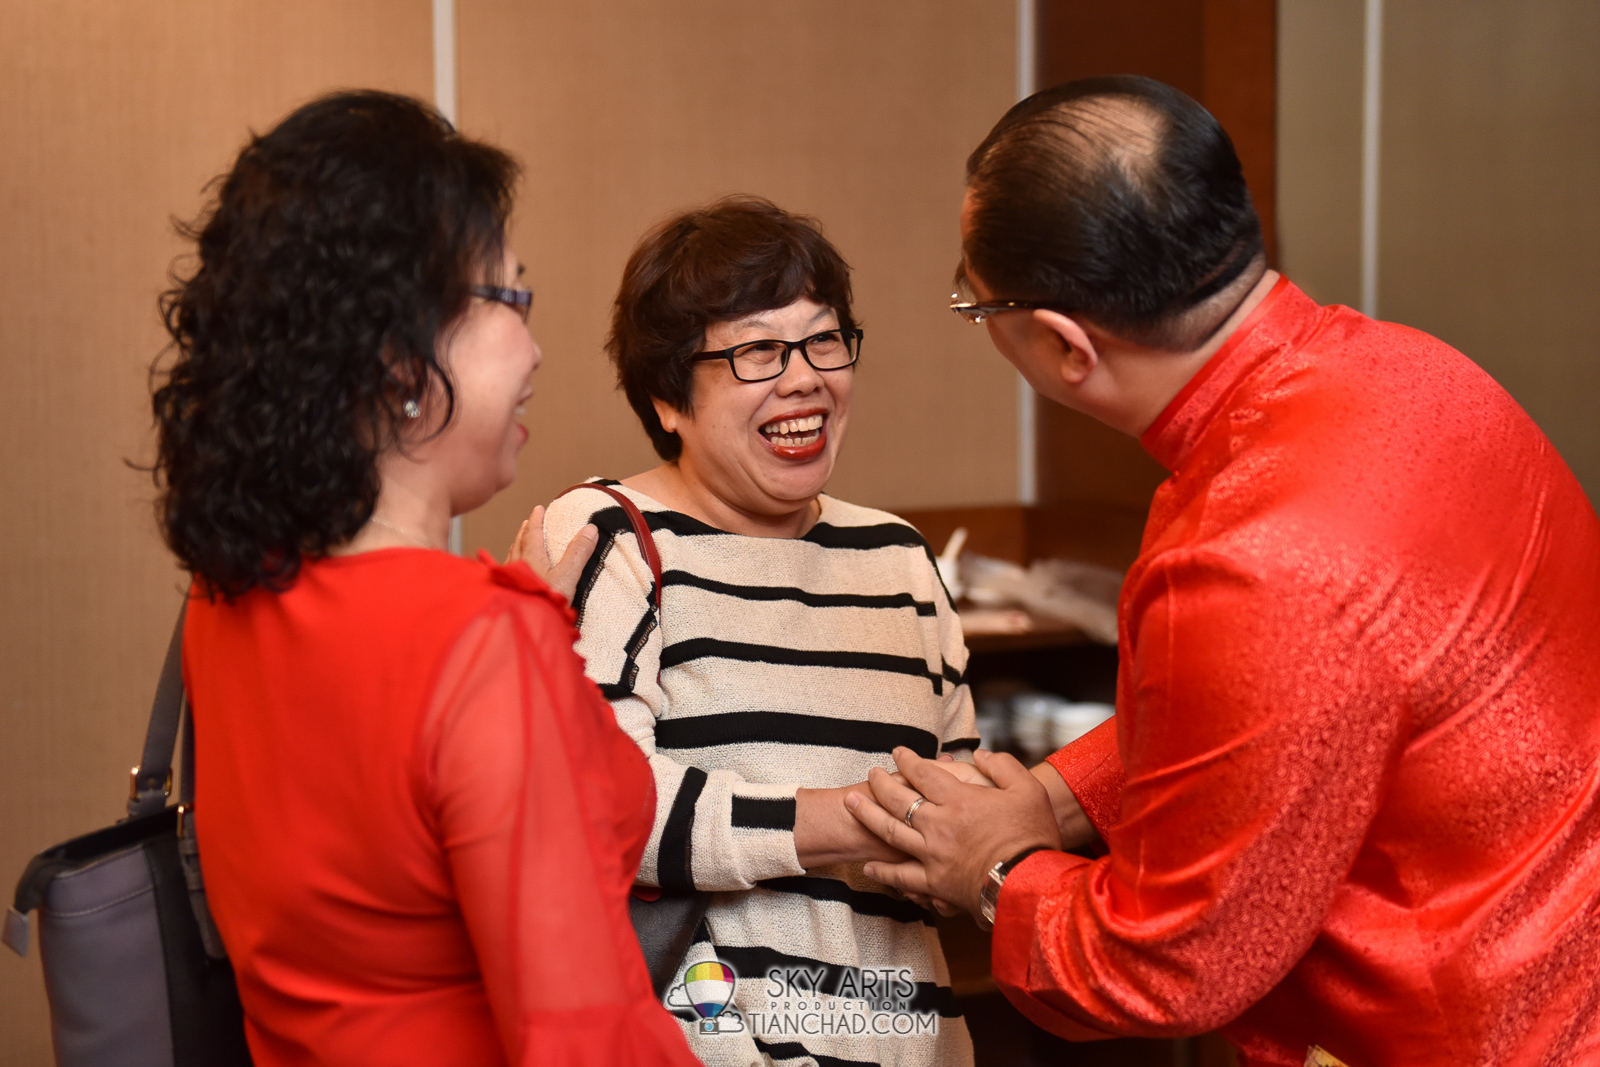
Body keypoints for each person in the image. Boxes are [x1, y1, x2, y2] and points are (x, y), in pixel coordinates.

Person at [845, 75, 1600, 1066]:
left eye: (975, 300)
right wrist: (1052, 800)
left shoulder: (1246, 559)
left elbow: (1168, 964)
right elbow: (1272, 719)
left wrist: (993, 873)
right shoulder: (1417, 370)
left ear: (1066, 345)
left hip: (1462, 1028)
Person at [151, 90, 696, 1067]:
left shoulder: (224, 593)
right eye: (512, 299)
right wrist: (523, 647)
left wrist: (533, 638)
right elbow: (582, 1039)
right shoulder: (480, 644)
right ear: (401, 358)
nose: (534, 348)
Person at [537, 196, 977, 1067]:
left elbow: (953, 826)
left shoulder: (898, 557)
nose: (805, 378)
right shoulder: (608, 536)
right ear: (668, 397)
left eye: (823, 341)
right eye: (758, 352)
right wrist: (858, 819)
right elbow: (604, 809)